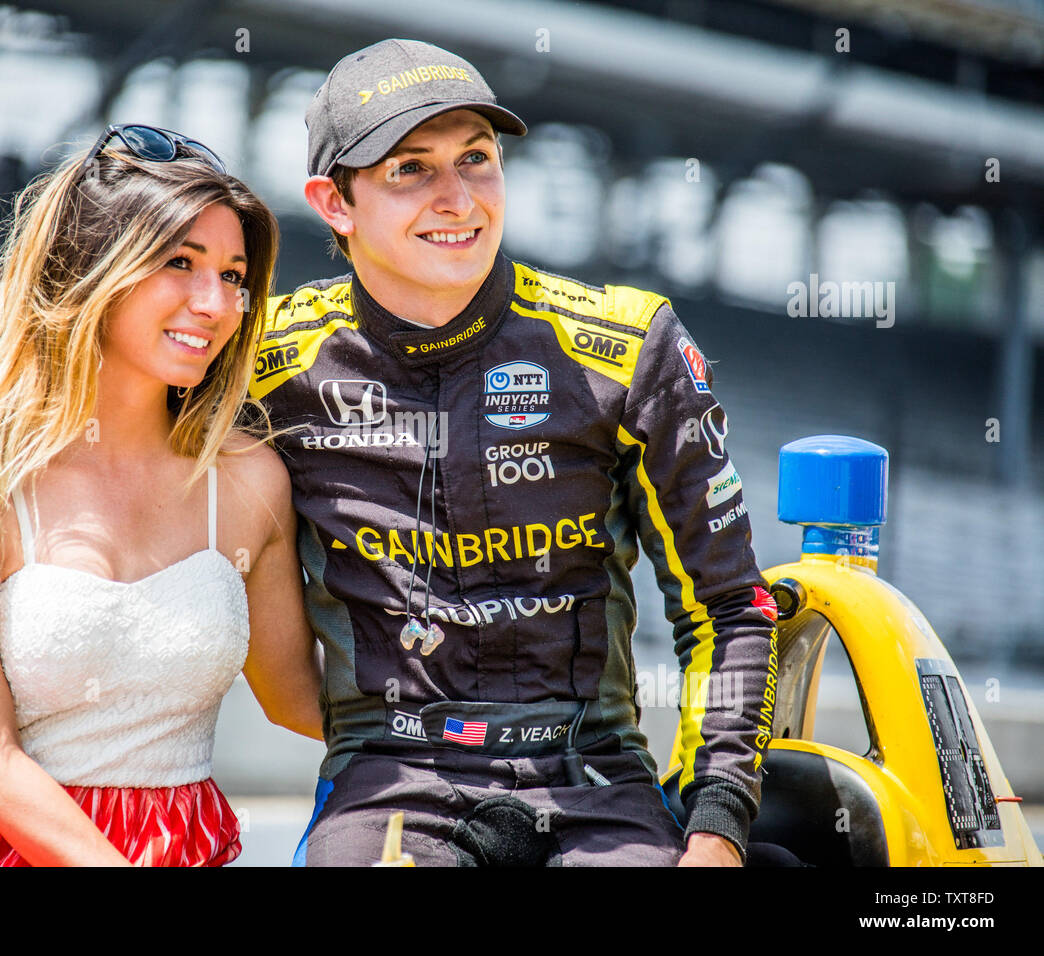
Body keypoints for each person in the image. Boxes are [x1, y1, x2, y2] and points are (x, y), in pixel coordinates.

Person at [250, 39, 780, 866]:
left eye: (478, 159)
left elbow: (729, 607)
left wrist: (716, 825)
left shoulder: (626, 344)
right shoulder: (263, 363)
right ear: (335, 203)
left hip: (594, 771)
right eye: (409, 170)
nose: (458, 198)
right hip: (390, 772)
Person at [0, 125, 323, 866]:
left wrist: (503, 724)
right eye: (180, 262)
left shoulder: (249, 480)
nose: (217, 302)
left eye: (234, 276)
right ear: (91, 271)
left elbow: (299, 698)